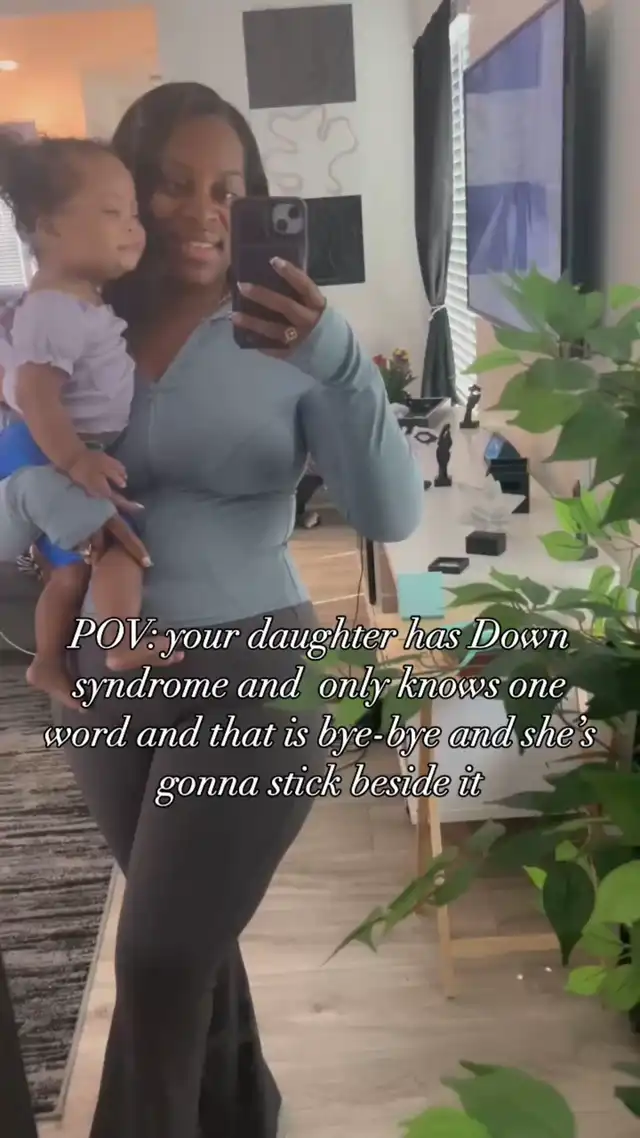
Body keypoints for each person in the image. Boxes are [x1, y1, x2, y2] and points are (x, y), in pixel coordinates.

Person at [0, 82, 423, 1138]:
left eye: (228, 189)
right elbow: (11, 492)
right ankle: (243, 1115)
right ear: (122, 194)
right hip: (105, 681)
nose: (203, 212)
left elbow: (390, 514)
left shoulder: (294, 338)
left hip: (255, 680)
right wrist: (52, 507)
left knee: (155, 958)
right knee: (189, 941)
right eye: (172, 185)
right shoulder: (72, 322)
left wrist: (337, 360)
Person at [0, 133, 179, 710]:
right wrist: (76, 460)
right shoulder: (55, 308)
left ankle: (47, 662)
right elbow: (35, 393)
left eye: (133, 213)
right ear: (50, 227)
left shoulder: (75, 300)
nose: (132, 227)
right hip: (50, 450)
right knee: (117, 547)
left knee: (69, 573)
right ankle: (121, 644)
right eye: (110, 213)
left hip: (50, 450)